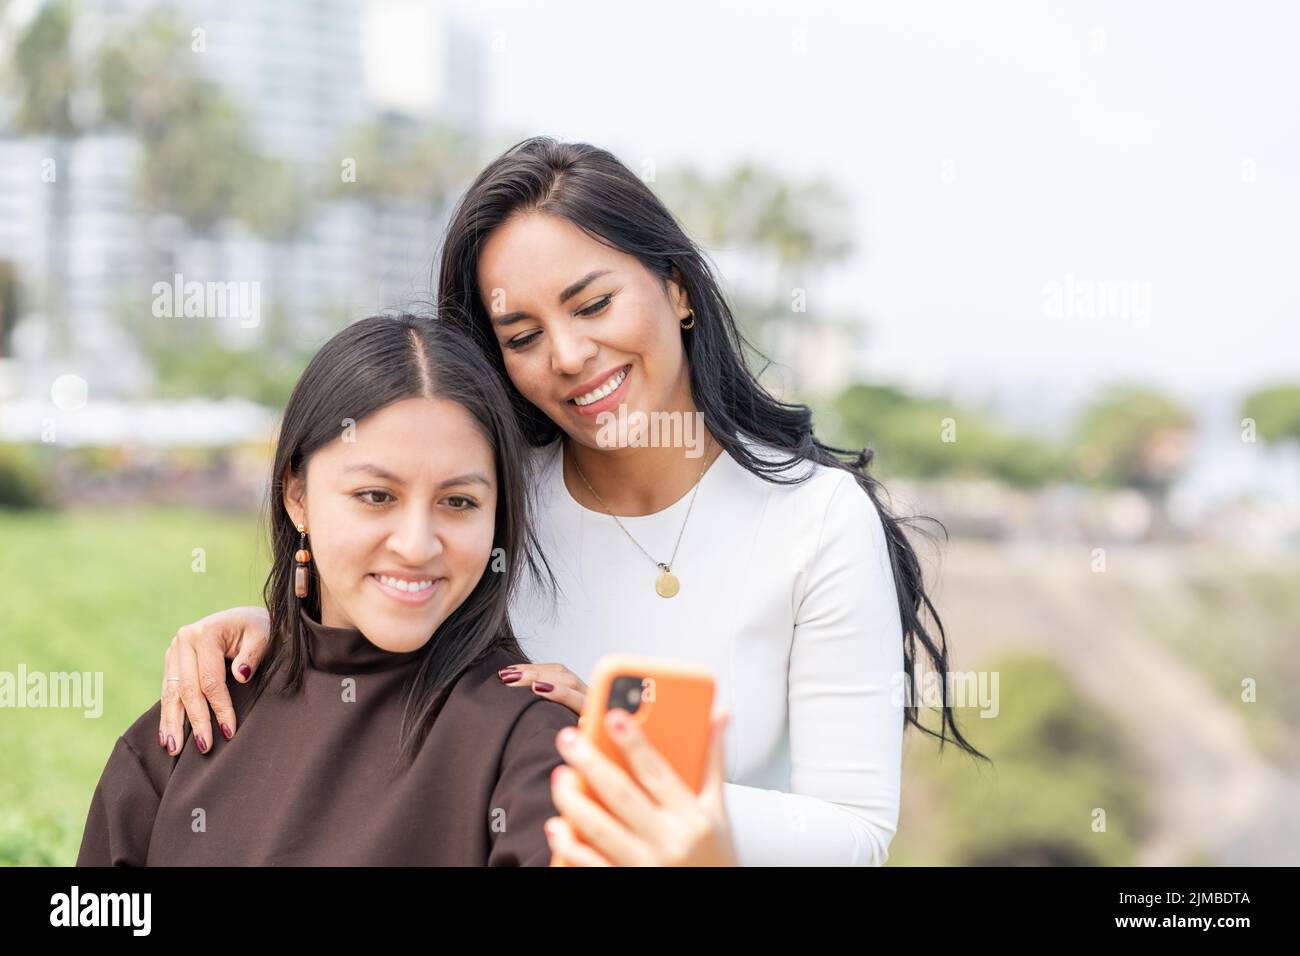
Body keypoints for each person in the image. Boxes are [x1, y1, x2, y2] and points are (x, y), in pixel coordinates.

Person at [150, 138, 988, 867]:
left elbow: (855, 835)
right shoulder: (493, 507)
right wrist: (277, 633)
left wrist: (621, 759)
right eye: (521, 336)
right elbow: (386, 639)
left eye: (593, 304)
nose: (571, 354)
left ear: (678, 288)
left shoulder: (818, 522)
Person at [78, 313, 586, 865]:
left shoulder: (533, 745)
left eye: (458, 502)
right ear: (297, 495)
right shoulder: (192, 721)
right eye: (375, 495)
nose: (417, 545)